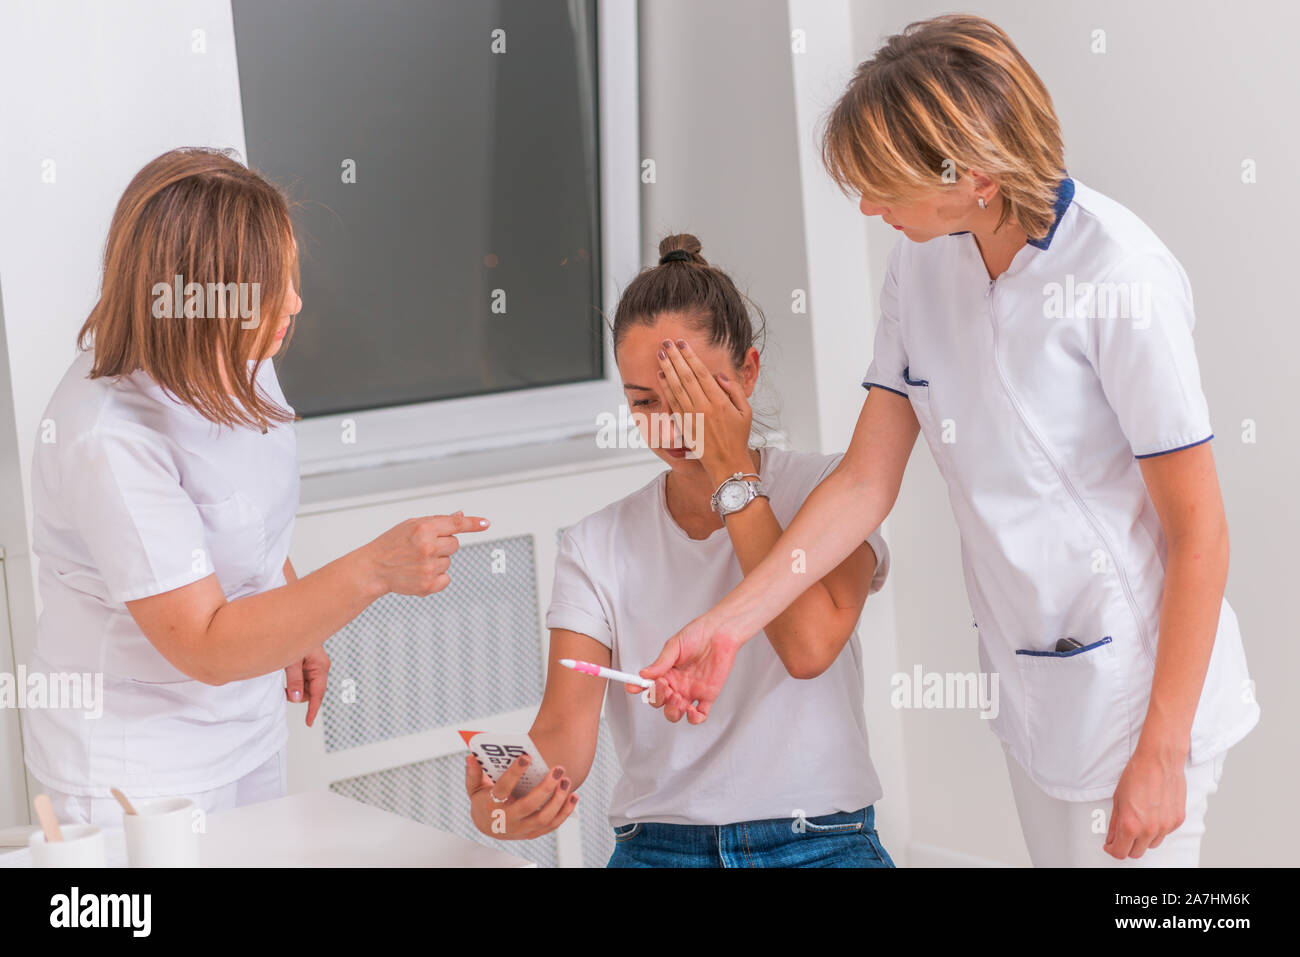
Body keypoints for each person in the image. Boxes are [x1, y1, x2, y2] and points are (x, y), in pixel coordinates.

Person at [638, 15, 1258, 867]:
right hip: (1036, 678)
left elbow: (1201, 533)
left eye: (882, 184)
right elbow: (863, 482)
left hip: (1143, 685)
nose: (867, 206)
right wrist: (730, 625)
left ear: (974, 175)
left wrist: (1163, 746)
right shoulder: (923, 266)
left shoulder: (1120, 279)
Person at [24, 147, 489, 825]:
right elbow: (207, 644)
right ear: (201, 296)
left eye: (291, 275)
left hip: (246, 727)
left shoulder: (238, 349)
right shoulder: (108, 438)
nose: (296, 302)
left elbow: (249, 518)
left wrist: (293, 615)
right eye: (276, 286)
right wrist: (375, 569)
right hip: (135, 765)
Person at [464, 234, 893, 867]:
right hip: (661, 848)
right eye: (644, 401)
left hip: (822, 842)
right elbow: (563, 732)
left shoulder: (830, 493)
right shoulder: (596, 545)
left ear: (747, 372)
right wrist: (510, 796)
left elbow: (807, 648)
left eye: (691, 391)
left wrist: (729, 470)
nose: (671, 423)